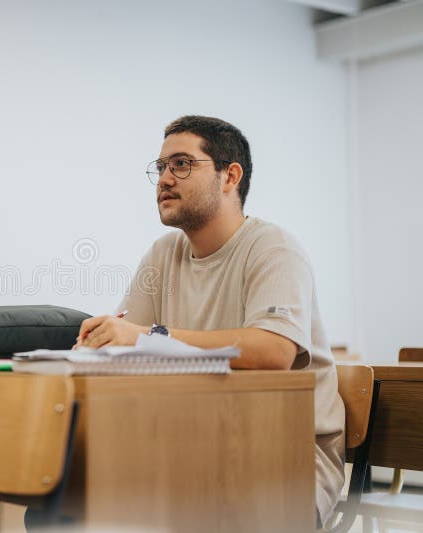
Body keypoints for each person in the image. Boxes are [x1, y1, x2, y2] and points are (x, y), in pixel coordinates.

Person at [76, 115, 345, 526]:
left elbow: (273, 351)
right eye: (161, 167)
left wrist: (148, 336)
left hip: (283, 458)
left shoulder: (273, 249)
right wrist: (102, 342)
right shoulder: (163, 254)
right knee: (67, 505)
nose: (165, 178)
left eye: (181, 164)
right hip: (191, 446)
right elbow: (120, 343)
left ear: (229, 176)